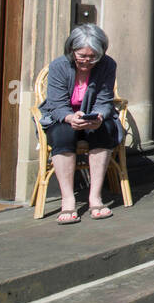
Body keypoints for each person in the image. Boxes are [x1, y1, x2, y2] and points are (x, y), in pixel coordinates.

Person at [39, 24, 123, 223]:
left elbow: (104, 100)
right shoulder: (59, 66)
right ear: (71, 50)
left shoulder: (107, 65)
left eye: (93, 57)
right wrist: (70, 118)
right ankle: (68, 200)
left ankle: (95, 197)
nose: (87, 61)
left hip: (93, 118)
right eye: (82, 56)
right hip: (63, 119)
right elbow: (56, 104)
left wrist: (99, 117)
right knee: (63, 135)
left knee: (105, 131)